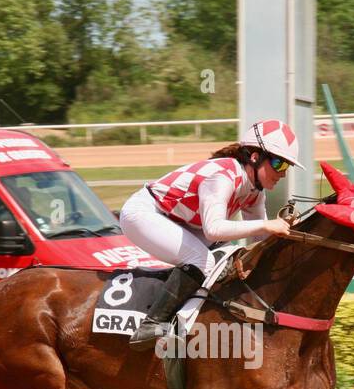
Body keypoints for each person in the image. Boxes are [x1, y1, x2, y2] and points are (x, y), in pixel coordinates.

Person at [118, 119, 303, 348]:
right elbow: (214, 230)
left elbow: (261, 242)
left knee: (223, 258)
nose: (282, 174)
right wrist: (267, 225)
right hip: (144, 213)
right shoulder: (223, 176)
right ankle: (151, 324)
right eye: (279, 164)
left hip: (179, 221)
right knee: (202, 260)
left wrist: (288, 233)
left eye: (287, 167)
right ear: (255, 157)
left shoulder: (255, 192)